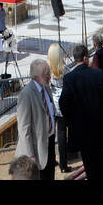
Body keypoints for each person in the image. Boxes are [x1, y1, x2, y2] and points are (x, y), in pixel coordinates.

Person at [60, 43, 103, 181]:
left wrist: (72, 120)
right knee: (100, 164)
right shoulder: (98, 74)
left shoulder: (70, 78)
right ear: (86, 58)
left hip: (81, 130)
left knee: (89, 164)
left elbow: (63, 103)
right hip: (99, 127)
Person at [14, 58, 57, 180]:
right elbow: (24, 128)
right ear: (38, 77)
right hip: (35, 150)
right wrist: (30, 155)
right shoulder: (26, 94)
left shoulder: (46, 88)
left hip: (49, 143)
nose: (50, 76)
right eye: (47, 74)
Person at [46, 43, 70, 172]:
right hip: (62, 104)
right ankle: (63, 164)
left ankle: (51, 160)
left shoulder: (47, 69)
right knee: (61, 134)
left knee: (51, 133)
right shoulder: (65, 69)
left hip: (51, 104)